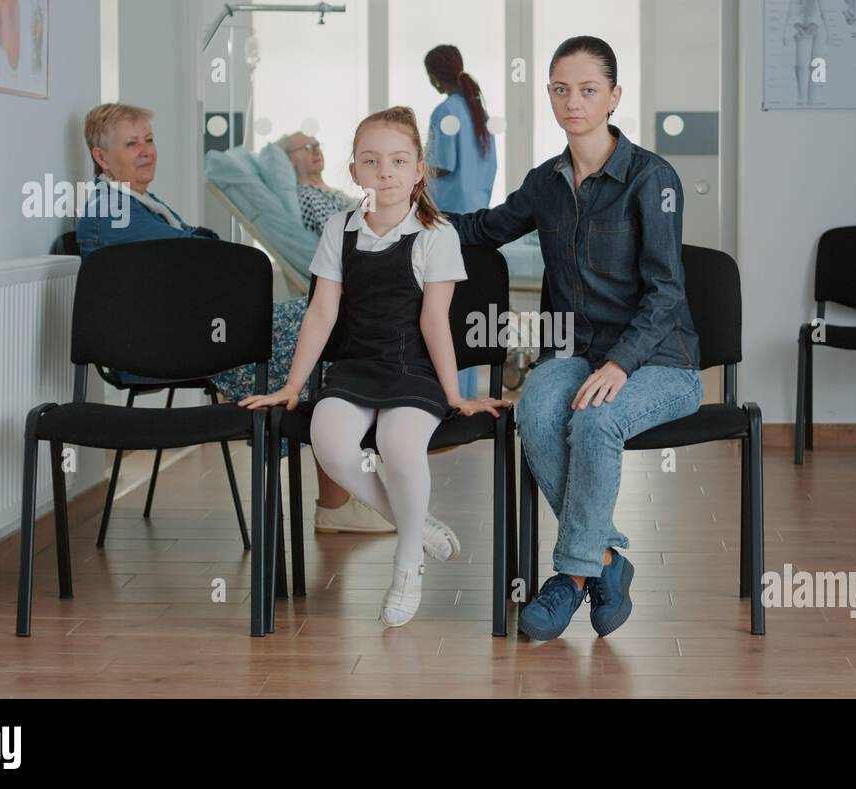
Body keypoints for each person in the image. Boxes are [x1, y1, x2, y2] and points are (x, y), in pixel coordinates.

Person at [77, 102, 444, 546]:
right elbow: (195, 257)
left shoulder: (138, 203)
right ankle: (339, 499)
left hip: (195, 332)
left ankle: (345, 485)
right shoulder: (109, 211)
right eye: (131, 143)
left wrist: (201, 247)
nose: (146, 151)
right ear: (101, 157)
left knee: (321, 326)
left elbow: (193, 254)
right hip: (166, 345)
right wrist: (202, 246)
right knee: (316, 332)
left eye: (149, 140)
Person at [446, 37, 702, 641]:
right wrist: (414, 215)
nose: (573, 101)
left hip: (661, 362)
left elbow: (666, 292)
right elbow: (485, 228)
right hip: (575, 352)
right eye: (560, 89)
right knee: (535, 410)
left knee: (594, 420)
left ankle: (569, 577)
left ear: (615, 96)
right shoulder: (545, 182)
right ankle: (607, 561)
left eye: (588, 89)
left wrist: (619, 363)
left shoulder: (652, 178)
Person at [241, 106, 510, 626]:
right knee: (331, 442)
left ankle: (407, 562)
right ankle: (414, 523)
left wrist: (455, 394)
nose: (385, 171)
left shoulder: (437, 234)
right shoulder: (341, 230)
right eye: (371, 160)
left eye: (398, 160)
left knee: (398, 444)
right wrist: (294, 385)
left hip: (414, 371)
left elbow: (436, 322)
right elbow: (322, 311)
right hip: (353, 370)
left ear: (417, 171)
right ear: (355, 171)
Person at [424, 45, 498, 401]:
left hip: (448, 221)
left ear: (435, 76)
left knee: (444, 312)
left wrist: (414, 170)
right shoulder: (477, 111)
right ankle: (463, 393)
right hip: (476, 221)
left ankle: (445, 396)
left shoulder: (446, 111)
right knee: (465, 310)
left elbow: (442, 165)